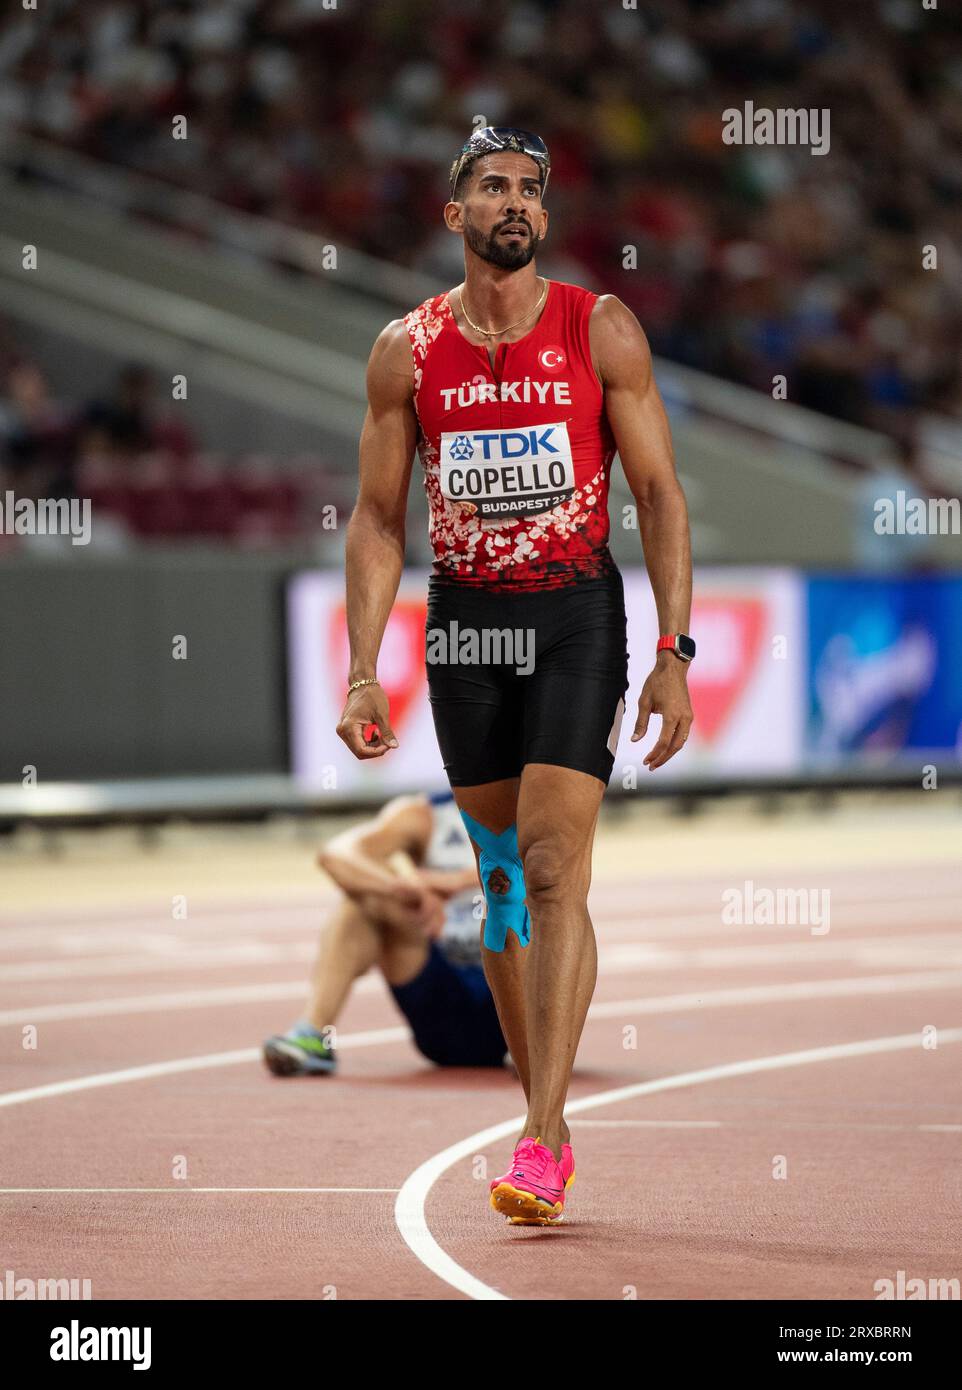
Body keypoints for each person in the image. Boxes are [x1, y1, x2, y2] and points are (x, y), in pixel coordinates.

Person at [337, 127, 695, 1226]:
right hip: (467, 629)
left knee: (551, 870)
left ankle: (538, 1134)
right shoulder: (406, 348)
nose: (516, 203)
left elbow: (658, 495)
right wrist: (362, 670)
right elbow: (378, 520)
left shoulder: (601, 327)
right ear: (453, 215)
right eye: (492, 186)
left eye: (531, 190)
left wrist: (674, 654)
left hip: (574, 616)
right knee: (498, 881)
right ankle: (540, 1101)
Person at [263, 790, 508, 1076]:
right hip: (444, 996)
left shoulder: (544, 805)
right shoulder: (424, 815)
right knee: (362, 902)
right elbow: (335, 855)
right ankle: (312, 1035)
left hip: (523, 994)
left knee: (555, 907)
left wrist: (458, 880)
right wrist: (401, 889)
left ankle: (539, 1045)